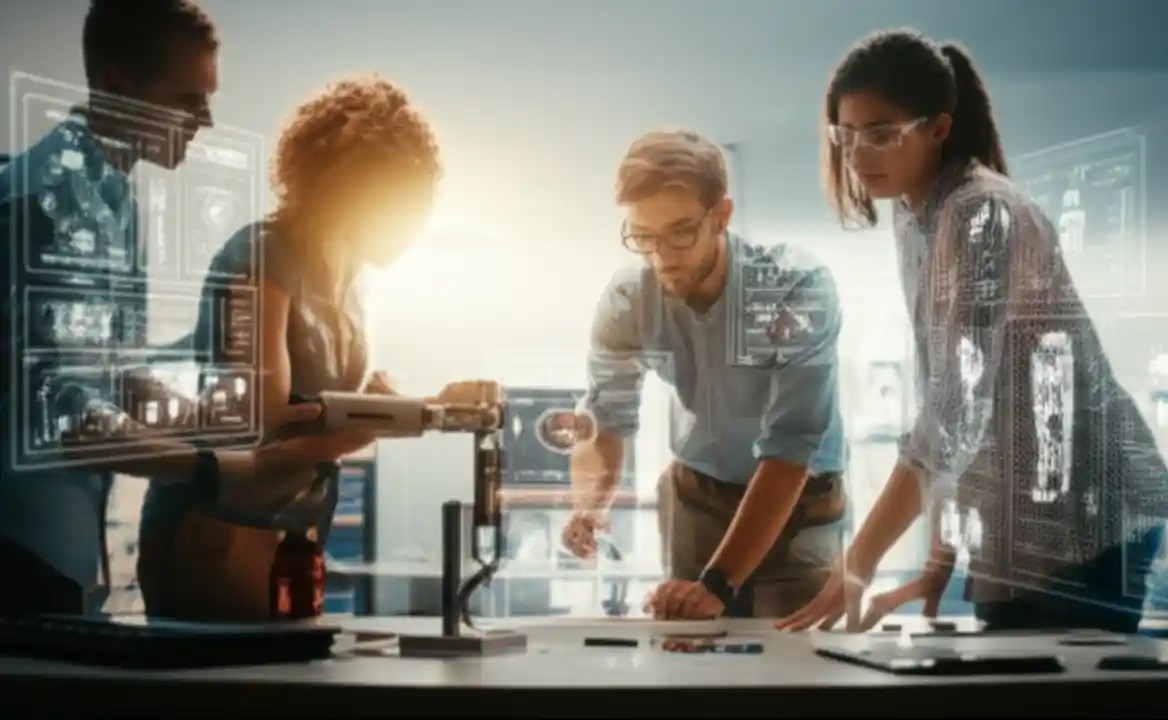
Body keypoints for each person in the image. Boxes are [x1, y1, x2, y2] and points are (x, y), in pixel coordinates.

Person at [777, 29, 1168, 634]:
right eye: (846, 135)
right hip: (1018, 519)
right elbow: (951, 390)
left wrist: (859, 560)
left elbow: (953, 409)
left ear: (939, 127)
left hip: (1089, 519)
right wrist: (943, 551)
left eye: (882, 134)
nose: (858, 155)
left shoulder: (979, 212)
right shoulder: (913, 212)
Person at [0, 0, 370, 618]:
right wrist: (216, 470)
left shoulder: (111, 197)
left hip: (59, 550)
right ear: (118, 88)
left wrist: (215, 426)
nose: (206, 119)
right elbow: (67, 420)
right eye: (187, 99)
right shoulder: (49, 204)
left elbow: (114, 378)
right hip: (19, 548)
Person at [137, 75, 502, 620]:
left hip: (293, 521)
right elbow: (263, 425)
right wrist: (386, 418)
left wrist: (431, 406)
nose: (413, 226)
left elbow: (329, 414)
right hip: (223, 519)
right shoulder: (261, 258)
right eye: (399, 209)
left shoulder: (352, 276)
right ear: (347, 196)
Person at [562, 129, 848, 619]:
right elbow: (607, 418)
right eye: (643, 237)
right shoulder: (629, 301)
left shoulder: (796, 289)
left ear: (722, 216)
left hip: (799, 498)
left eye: (680, 232)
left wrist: (718, 581)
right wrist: (590, 503)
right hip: (697, 494)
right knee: (689, 648)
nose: (661, 256)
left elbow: (790, 448)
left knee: (798, 660)